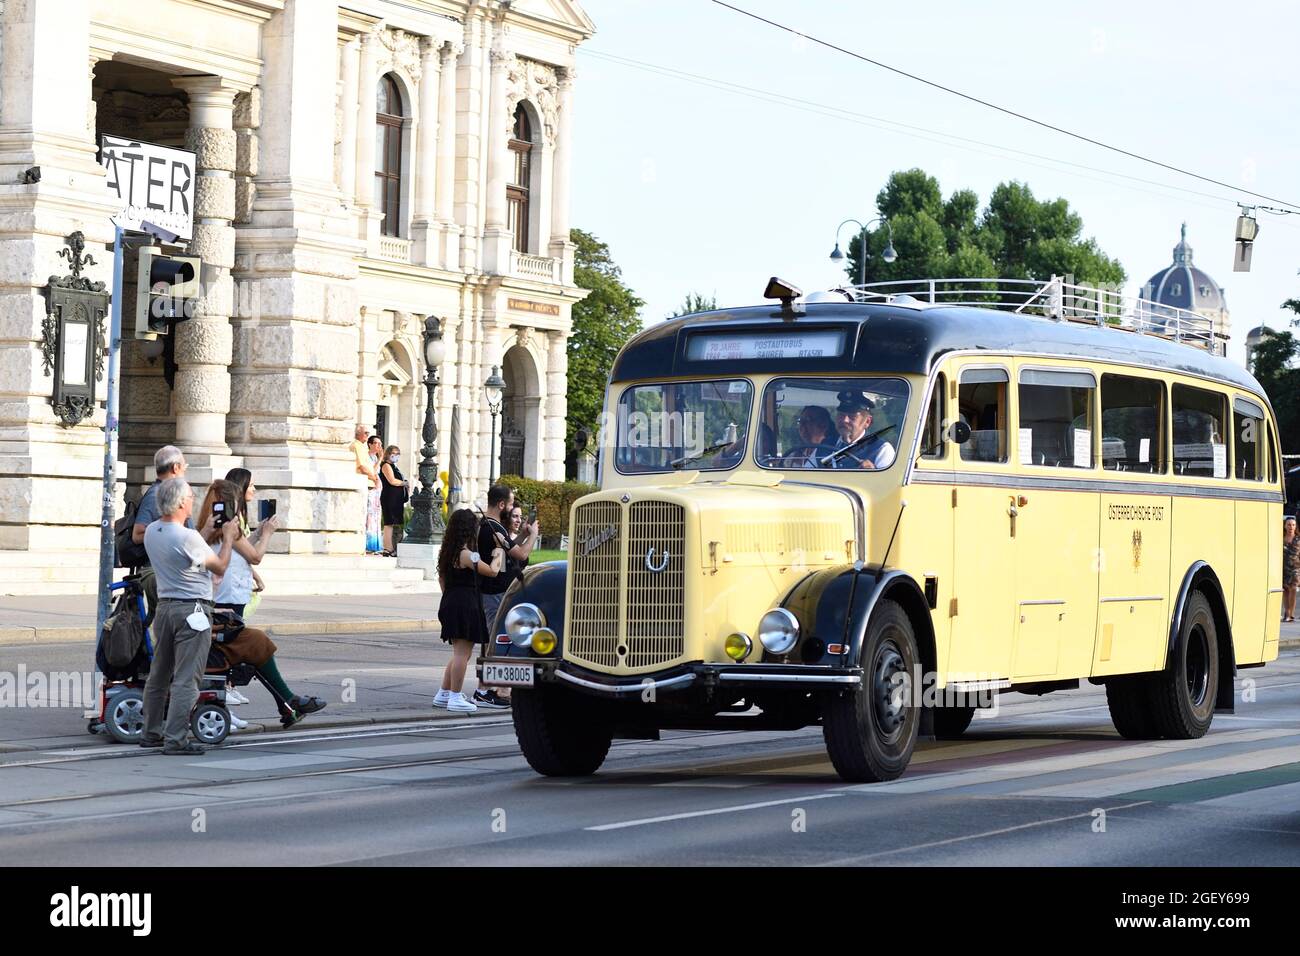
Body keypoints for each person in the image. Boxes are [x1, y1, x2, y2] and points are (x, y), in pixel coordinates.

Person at [198, 481, 326, 728]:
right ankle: (286, 702)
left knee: (249, 652)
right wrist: (267, 534)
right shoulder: (229, 531)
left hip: (217, 602)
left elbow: (237, 553)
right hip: (223, 604)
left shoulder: (203, 529)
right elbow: (254, 556)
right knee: (253, 647)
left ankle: (287, 704)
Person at [139, 477, 237, 755]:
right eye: (192, 497)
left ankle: (151, 732)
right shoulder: (187, 536)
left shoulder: (153, 532)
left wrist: (204, 531)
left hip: (166, 608)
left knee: (158, 675)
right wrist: (227, 539)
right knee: (185, 678)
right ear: (182, 502)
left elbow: (185, 555)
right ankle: (176, 739)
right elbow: (218, 566)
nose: (194, 501)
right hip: (191, 610)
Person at [474, 484, 539, 708]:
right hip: (494, 593)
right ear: (501, 504)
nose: (511, 509)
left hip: (495, 592)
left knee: (499, 639)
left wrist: (522, 534)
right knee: (497, 640)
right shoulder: (494, 528)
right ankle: (485, 690)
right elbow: (520, 554)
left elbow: (510, 547)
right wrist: (534, 536)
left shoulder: (491, 526)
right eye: (510, 504)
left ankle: (493, 689)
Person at [434, 508, 504, 713]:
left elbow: (442, 580)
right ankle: (455, 697)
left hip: (451, 601)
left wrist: (450, 598)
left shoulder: (448, 552)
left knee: (459, 653)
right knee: (462, 654)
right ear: (468, 530)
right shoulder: (467, 554)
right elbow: (492, 571)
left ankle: (444, 693)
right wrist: (498, 550)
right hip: (465, 604)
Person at [130, 445, 190, 619]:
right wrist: (168, 530)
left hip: (172, 568)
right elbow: (137, 534)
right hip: (157, 570)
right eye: (184, 466)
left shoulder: (172, 493)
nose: (185, 470)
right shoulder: (155, 494)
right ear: (176, 467)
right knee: (165, 621)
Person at [825, 390, 896, 469]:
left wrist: (872, 472)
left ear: (867, 422)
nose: (845, 420)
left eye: (852, 416)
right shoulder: (825, 444)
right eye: (841, 415)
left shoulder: (881, 449)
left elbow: (885, 480)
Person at [350, 424, 380, 547]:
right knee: (364, 517)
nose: (368, 436)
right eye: (366, 433)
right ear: (358, 434)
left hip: (369, 484)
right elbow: (362, 467)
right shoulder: (356, 445)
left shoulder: (361, 446)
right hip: (364, 483)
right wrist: (374, 478)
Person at [379, 445, 409, 556]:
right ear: (388, 454)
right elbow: (391, 480)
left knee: (395, 523)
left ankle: (393, 547)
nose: (396, 456)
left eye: (398, 454)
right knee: (389, 523)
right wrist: (404, 483)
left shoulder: (394, 466)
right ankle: (388, 548)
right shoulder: (386, 466)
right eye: (394, 453)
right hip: (389, 498)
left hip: (396, 499)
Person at [365, 434, 385, 553]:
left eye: (380, 444)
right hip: (371, 488)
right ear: (370, 444)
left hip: (377, 490)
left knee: (376, 515)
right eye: (376, 443)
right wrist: (380, 458)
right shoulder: (368, 456)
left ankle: (375, 544)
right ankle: (369, 544)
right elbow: (373, 470)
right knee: (370, 516)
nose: (379, 446)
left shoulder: (374, 457)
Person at [1284, 517, 1299, 622]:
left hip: (1296, 569)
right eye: (1289, 524)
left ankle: (1291, 614)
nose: (1291, 527)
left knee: (1293, 589)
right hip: (1283, 568)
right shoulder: (1281, 539)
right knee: (1285, 590)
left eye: (1293, 525)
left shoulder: (1298, 540)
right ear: (1285, 526)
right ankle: (1287, 612)